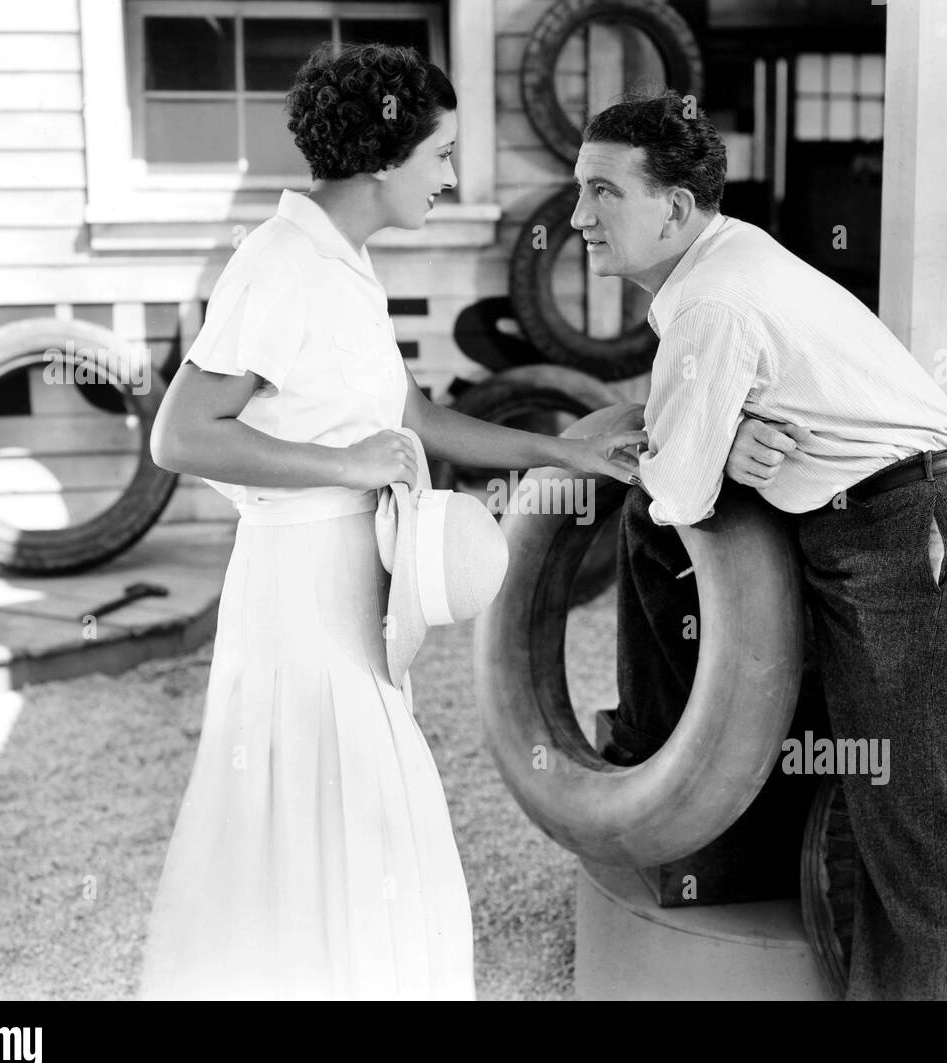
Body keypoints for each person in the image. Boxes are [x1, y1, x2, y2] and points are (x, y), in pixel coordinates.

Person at [138, 43, 643, 1001]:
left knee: (365, 812)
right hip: (295, 595)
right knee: (325, 807)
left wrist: (564, 450)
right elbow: (181, 434)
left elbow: (411, 421)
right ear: (382, 156)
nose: (452, 177)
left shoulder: (346, 263)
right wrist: (345, 465)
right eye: (442, 153)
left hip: (356, 598)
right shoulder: (280, 263)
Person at [574, 92, 947, 1000]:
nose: (578, 217)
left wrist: (712, 445)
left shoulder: (712, 302)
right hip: (884, 521)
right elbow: (697, 458)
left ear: (675, 207)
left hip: (912, 533)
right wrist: (724, 436)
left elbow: (677, 492)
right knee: (874, 798)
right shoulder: (726, 260)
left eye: (603, 192)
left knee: (914, 839)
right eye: (579, 191)